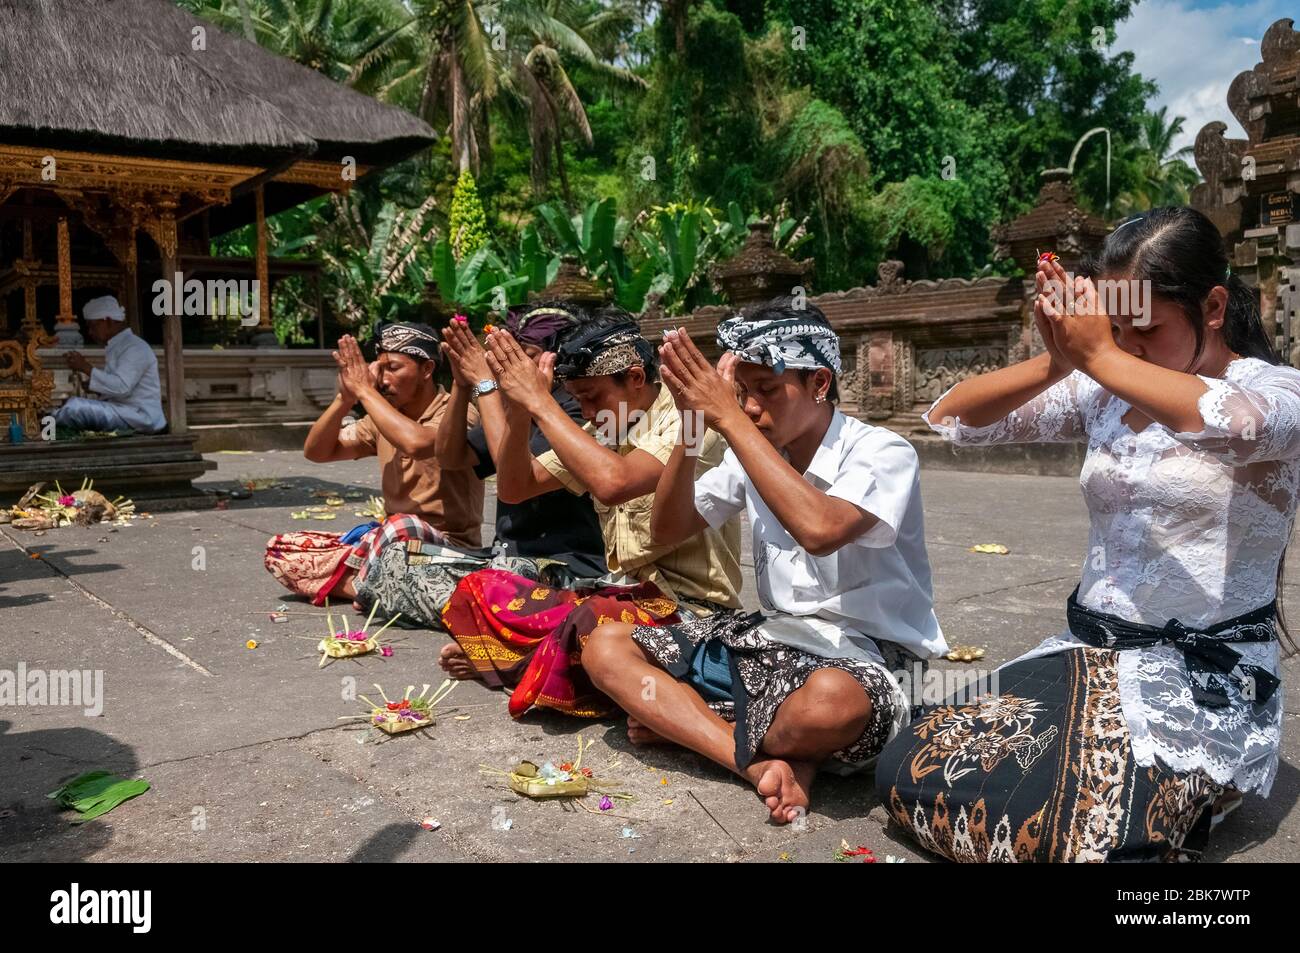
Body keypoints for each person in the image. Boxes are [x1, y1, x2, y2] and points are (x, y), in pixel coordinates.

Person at [876, 206, 1299, 862]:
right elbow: (955, 417)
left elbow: (1236, 426)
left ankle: (1193, 790)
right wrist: (1058, 361)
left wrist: (1098, 350)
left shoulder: (1274, 390)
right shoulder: (1103, 388)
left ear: (1213, 307)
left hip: (1199, 676)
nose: (1127, 348)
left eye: (1146, 330)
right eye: (1116, 330)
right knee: (909, 765)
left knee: (1083, 841)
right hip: (1088, 651)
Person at [580, 299, 945, 824]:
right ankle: (754, 761)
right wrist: (688, 426)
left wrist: (729, 419)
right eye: (741, 392)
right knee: (607, 645)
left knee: (828, 706)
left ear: (820, 383)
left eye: (767, 391)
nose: (751, 407)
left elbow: (820, 530)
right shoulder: (750, 451)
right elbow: (666, 529)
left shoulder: (883, 451)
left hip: (870, 658)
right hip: (771, 643)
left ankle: (689, 724)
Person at [438, 309, 744, 718]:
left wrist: (542, 403)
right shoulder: (608, 425)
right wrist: (520, 409)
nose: (585, 409)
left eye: (592, 396)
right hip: (622, 598)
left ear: (635, 378)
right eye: (576, 397)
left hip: (689, 613)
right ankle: (559, 666)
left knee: (589, 622)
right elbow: (515, 486)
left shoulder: (690, 419)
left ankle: (531, 665)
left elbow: (613, 482)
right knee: (484, 587)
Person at [353, 303, 607, 628]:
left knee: (502, 585)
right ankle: (490, 617)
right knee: (395, 561)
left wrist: (486, 385)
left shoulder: (575, 412)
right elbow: (450, 457)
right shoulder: (509, 404)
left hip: (559, 566)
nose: (506, 364)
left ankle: (507, 620)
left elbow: (514, 483)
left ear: (554, 360)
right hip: (501, 560)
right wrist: (462, 384)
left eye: (523, 354)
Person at [264, 322, 484, 606]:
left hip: (448, 548)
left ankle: (372, 586)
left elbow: (417, 443)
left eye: (393, 368)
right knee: (282, 549)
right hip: (386, 545)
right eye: (379, 368)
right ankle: (372, 587)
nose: (381, 378)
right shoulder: (383, 417)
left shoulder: (458, 411)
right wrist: (346, 398)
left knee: (401, 526)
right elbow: (317, 451)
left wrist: (366, 393)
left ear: (427, 370)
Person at [56, 295, 165, 434]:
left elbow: (121, 387)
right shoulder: (117, 346)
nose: (90, 332)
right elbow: (118, 388)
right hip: (124, 411)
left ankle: (45, 429)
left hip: (140, 416)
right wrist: (96, 388)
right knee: (71, 405)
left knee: (75, 408)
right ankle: (46, 426)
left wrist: (86, 367)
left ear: (107, 321)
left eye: (93, 326)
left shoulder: (135, 347)